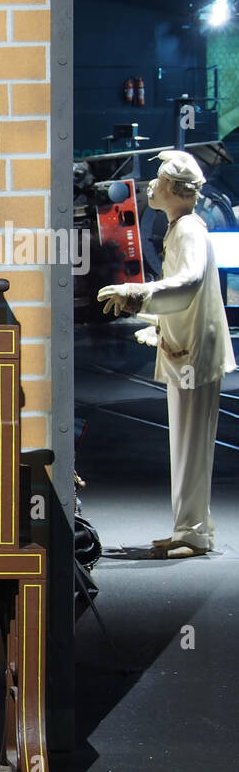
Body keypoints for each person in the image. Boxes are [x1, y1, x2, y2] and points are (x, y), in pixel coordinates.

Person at [97, 150, 236, 558]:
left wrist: (137, 294)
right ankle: (190, 527)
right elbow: (189, 291)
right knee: (186, 444)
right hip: (185, 348)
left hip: (194, 352)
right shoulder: (181, 227)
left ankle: (192, 532)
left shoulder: (189, 230)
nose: (151, 186)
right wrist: (157, 326)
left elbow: (188, 283)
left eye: (158, 180)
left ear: (175, 190)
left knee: (191, 445)